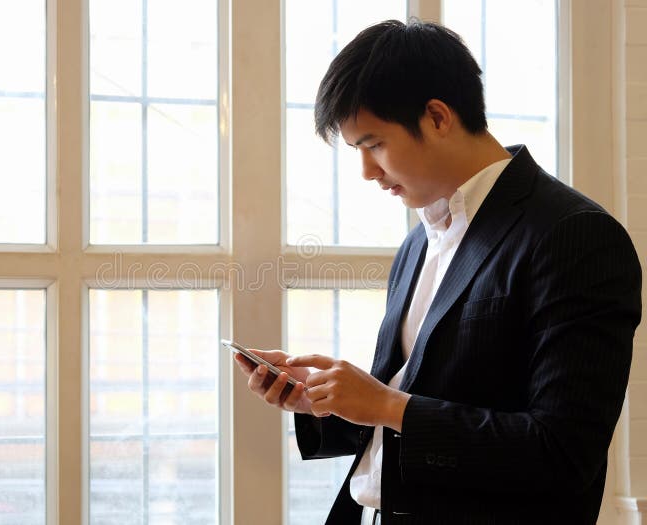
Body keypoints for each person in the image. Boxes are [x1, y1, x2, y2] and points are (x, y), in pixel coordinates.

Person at [234, 19, 642, 525]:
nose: (366, 171)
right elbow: (423, 398)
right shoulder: (417, 243)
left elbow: (563, 453)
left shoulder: (575, 235)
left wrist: (388, 406)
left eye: (374, 144)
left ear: (437, 116)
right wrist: (323, 399)